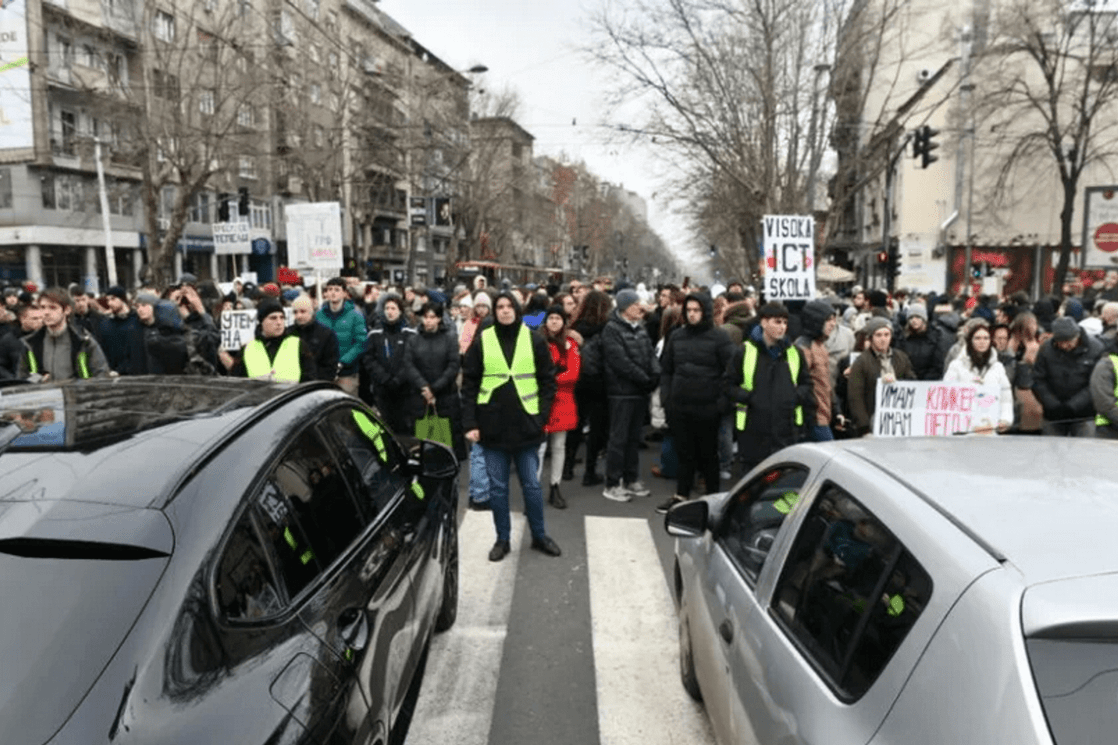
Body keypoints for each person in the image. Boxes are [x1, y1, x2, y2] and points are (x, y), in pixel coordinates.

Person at [461, 291, 561, 562]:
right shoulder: (484, 340)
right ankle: (502, 539)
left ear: (518, 310)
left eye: (509, 306)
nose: (505, 311)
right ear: (495, 311)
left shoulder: (534, 339)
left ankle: (539, 536)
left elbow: (548, 383)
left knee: (531, 485)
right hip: (492, 427)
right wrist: (470, 423)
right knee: (498, 488)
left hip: (527, 427)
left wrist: (541, 417)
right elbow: (469, 384)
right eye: (500, 307)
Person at [657, 293, 732, 514]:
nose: (692, 314)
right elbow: (667, 370)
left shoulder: (719, 338)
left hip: (708, 407)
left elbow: (730, 372)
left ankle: (712, 497)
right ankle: (681, 495)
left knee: (709, 454)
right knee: (685, 453)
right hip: (680, 405)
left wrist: (721, 403)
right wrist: (667, 399)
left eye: (696, 310)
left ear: (705, 311)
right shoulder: (677, 336)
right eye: (688, 310)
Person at [726, 301, 813, 473]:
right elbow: (728, 384)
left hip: (786, 431)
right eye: (777, 322)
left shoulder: (794, 353)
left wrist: (795, 396)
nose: (782, 327)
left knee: (782, 487)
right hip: (753, 432)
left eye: (785, 322)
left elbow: (807, 383)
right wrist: (748, 397)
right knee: (754, 485)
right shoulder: (745, 351)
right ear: (764, 323)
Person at [600, 288, 659, 502]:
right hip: (621, 392)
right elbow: (620, 362)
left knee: (634, 438)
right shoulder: (612, 330)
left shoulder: (640, 329)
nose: (640, 308)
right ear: (625, 308)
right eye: (636, 305)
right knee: (618, 439)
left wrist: (655, 374)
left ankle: (631, 478)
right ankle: (613, 482)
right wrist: (644, 378)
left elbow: (650, 353)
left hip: (639, 391)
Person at [404, 301, 465, 461]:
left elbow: (453, 365)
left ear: (439, 319)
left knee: (448, 445)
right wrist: (424, 386)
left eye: (432, 317)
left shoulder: (449, 338)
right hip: (420, 396)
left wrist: (434, 388)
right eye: (425, 317)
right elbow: (408, 364)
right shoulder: (414, 340)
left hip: (445, 396)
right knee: (423, 445)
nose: (428, 321)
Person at [566, 289, 613, 485]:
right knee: (597, 428)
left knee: (575, 426)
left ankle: (567, 467)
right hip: (600, 381)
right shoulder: (607, 328)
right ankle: (590, 471)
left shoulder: (573, 327)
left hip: (577, 379)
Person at [538, 305, 580, 509]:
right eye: (551, 317)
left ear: (564, 322)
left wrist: (550, 379)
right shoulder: (537, 342)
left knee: (559, 446)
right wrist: (552, 379)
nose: (554, 321)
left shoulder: (570, 344)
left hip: (562, 399)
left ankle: (555, 485)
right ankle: (534, 488)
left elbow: (573, 373)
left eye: (558, 318)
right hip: (541, 399)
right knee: (539, 447)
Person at [1032, 316, 1104, 437]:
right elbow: (1038, 379)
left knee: (1083, 451)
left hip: (1084, 414)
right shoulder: (1046, 349)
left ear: (1077, 336)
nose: (1065, 346)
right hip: (1053, 413)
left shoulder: (1096, 348)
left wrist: (1073, 405)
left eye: (1069, 342)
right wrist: (1051, 403)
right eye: (1061, 343)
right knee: (1051, 452)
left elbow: (1095, 383)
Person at [17, 287, 110, 381]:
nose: (46, 312)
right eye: (42, 307)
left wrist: (82, 387)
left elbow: (101, 374)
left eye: (52, 307)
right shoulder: (31, 342)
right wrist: (38, 380)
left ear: (67, 310)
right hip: (44, 395)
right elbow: (22, 377)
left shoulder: (83, 340)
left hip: (76, 395)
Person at [846, 316, 915, 436]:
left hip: (898, 420)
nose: (883, 339)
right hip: (873, 419)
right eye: (878, 335)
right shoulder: (861, 362)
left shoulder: (901, 357)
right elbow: (855, 397)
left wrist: (898, 381)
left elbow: (912, 382)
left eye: (886, 335)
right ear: (871, 338)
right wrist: (864, 428)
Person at [943, 320, 1014, 433]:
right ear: (970, 341)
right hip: (964, 430)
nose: (982, 341)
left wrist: (1005, 419)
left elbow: (1006, 397)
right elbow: (947, 395)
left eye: (986, 338)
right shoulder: (956, 366)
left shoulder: (998, 367)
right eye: (977, 338)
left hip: (989, 428)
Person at [362, 295, 416, 435]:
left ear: (400, 311)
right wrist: (384, 377)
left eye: (393, 308)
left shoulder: (410, 334)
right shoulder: (375, 334)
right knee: (385, 428)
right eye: (387, 308)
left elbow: (413, 359)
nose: (390, 312)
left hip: (405, 390)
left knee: (405, 427)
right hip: (382, 389)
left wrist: (399, 378)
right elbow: (368, 358)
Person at [225, 297, 313, 381]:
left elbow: (310, 379)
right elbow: (238, 381)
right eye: (273, 318)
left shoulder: (298, 345)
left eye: (282, 318)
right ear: (262, 321)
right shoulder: (247, 348)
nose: (279, 322)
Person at [795, 299, 841, 442]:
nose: (833, 324)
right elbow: (798, 384)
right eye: (828, 319)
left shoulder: (820, 345)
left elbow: (826, 383)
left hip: (822, 416)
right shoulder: (803, 348)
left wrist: (836, 410)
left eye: (834, 319)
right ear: (816, 321)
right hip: (812, 418)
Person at [316, 276, 367, 394]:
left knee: (346, 408)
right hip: (324, 372)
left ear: (344, 293)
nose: (332, 293)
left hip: (347, 373)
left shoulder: (355, 315)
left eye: (337, 289)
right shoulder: (319, 315)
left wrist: (343, 362)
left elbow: (361, 342)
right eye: (329, 289)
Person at [121, 293, 190, 375]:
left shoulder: (168, 330)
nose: (140, 309)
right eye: (137, 307)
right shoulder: (135, 330)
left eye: (144, 305)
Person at [290, 294, 340, 382]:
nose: (298, 316)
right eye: (295, 312)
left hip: (316, 385)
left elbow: (330, 366)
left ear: (311, 311)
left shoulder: (326, 334)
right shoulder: (288, 333)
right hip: (292, 385)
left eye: (302, 311)